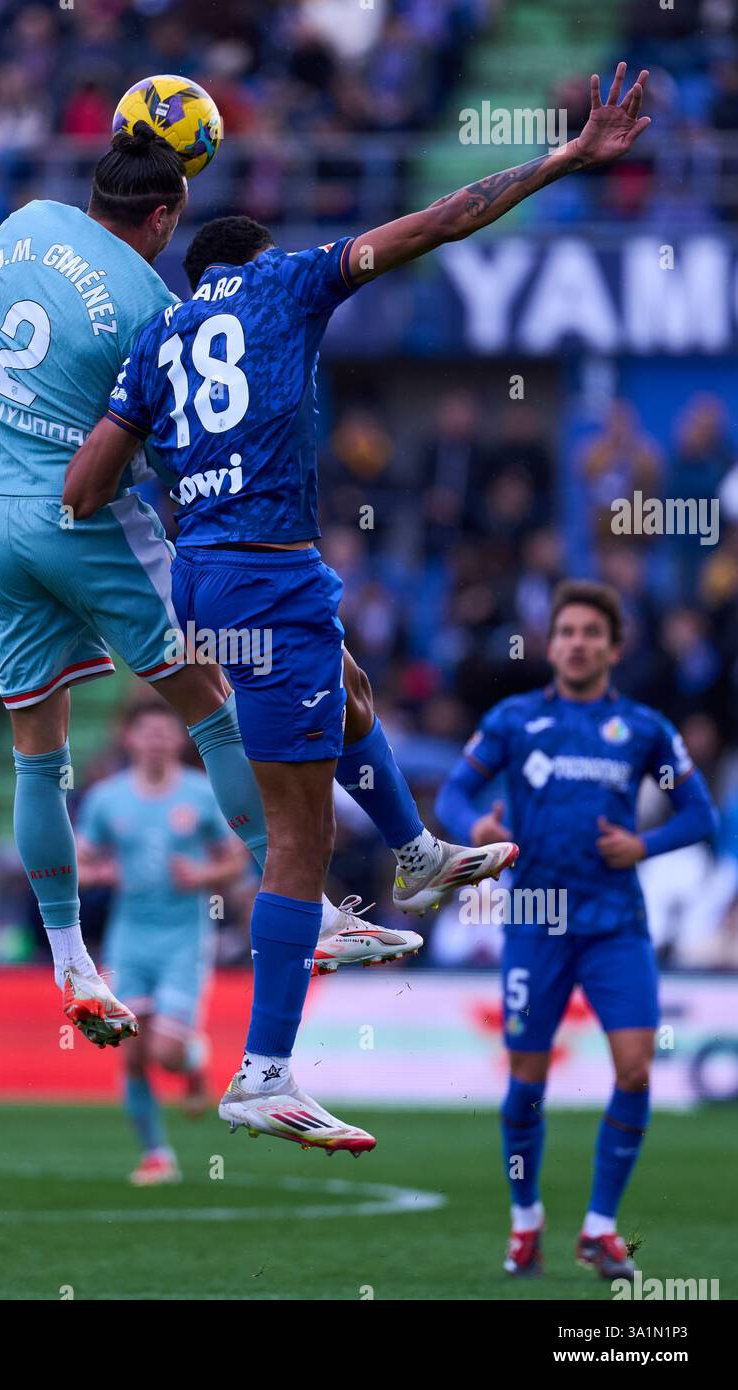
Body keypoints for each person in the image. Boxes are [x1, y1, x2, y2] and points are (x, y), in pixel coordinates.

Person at [63, 64, 651, 1153]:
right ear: (251, 257)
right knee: (297, 837)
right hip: (263, 570)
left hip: (211, 569)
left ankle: (417, 856)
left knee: (348, 692)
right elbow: (436, 222)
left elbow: (83, 492)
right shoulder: (288, 283)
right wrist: (564, 157)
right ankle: (263, 1071)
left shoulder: (157, 343)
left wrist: (176, 464)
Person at [0, 122, 437, 1056]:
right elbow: (176, 445)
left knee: (38, 755)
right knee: (216, 709)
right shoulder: (149, 304)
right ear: (160, 216)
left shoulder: (27, 219)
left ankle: (72, 959)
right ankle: (309, 905)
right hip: (86, 523)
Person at [436, 580, 718, 1280]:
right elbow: (452, 791)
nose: (579, 642)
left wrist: (641, 846)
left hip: (616, 922)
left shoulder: (645, 729)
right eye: (567, 632)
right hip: (535, 922)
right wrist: (479, 828)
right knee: (527, 1081)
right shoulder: (513, 719)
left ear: (614, 647)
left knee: (635, 1069)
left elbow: (700, 816)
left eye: (593, 632)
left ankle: (599, 1227)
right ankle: (525, 1218)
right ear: (551, 642)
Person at [77, 703, 246, 1185]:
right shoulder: (106, 799)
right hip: (129, 939)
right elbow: (79, 864)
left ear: (178, 739)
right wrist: (102, 873)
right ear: (128, 738)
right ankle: (156, 1155)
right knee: (131, 1051)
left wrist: (203, 875)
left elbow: (235, 861)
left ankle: (192, 1066)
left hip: (183, 940)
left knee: (165, 1052)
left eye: (164, 732)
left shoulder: (200, 792)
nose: (155, 740)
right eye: (146, 731)